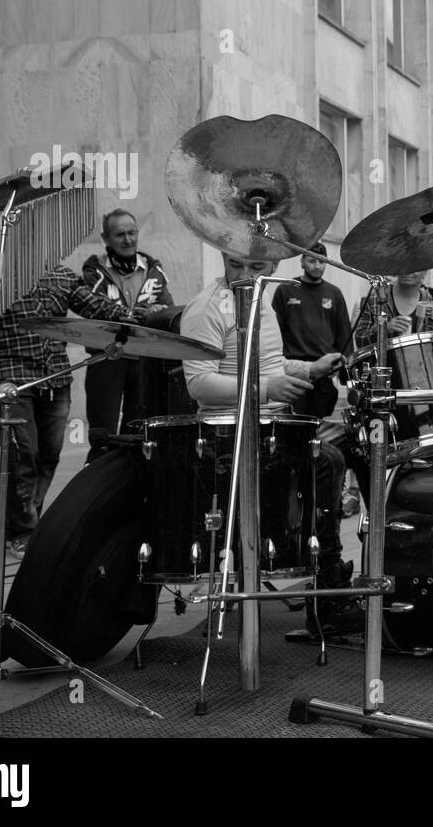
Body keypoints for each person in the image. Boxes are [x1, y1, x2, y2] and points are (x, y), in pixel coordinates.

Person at [180, 252, 354, 636]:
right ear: (224, 258)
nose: (245, 275)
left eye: (255, 266)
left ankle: (330, 577)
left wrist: (310, 368)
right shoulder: (206, 308)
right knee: (326, 461)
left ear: (272, 266)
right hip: (228, 437)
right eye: (236, 264)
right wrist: (264, 389)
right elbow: (198, 383)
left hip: (268, 426)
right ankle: (327, 595)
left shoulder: (262, 303)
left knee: (344, 449)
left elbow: (271, 366)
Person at [0, 265, 139, 555]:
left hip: (55, 377)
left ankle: (28, 522)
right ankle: (23, 530)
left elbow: (92, 303)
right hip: (12, 376)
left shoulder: (60, 274)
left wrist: (127, 315)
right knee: (24, 455)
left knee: (48, 456)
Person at [81, 209, 173, 461]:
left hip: (144, 359)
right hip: (107, 357)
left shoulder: (154, 269)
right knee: (103, 435)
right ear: (105, 238)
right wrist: (143, 313)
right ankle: (97, 490)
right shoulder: (94, 270)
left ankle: (129, 492)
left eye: (132, 232)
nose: (128, 240)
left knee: (136, 435)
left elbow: (166, 313)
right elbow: (96, 310)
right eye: (119, 234)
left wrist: (147, 314)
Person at [272, 242, 351, 417]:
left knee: (319, 428)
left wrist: (346, 374)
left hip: (324, 372)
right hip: (293, 371)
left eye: (321, 262)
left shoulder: (334, 293)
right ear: (302, 262)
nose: (317, 266)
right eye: (312, 261)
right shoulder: (286, 289)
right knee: (292, 426)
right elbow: (274, 333)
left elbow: (344, 333)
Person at [351, 270, 433, 348]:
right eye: (404, 265)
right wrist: (385, 329)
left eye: (415, 267)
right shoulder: (374, 299)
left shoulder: (430, 302)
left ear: (424, 273)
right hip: (383, 363)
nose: (408, 270)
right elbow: (360, 341)